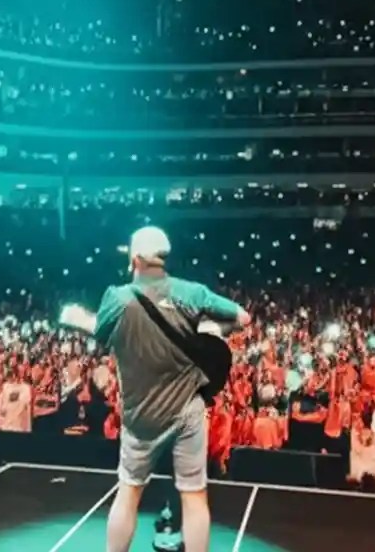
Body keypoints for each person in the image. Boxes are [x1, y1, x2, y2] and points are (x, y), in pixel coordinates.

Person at [60, 226, 251, 552]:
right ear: (163, 258)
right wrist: (208, 328)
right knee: (194, 496)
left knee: (129, 491)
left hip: (140, 415)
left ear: (135, 258)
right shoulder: (191, 293)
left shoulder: (117, 298)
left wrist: (78, 317)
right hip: (187, 411)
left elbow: (101, 332)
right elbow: (243, 318)